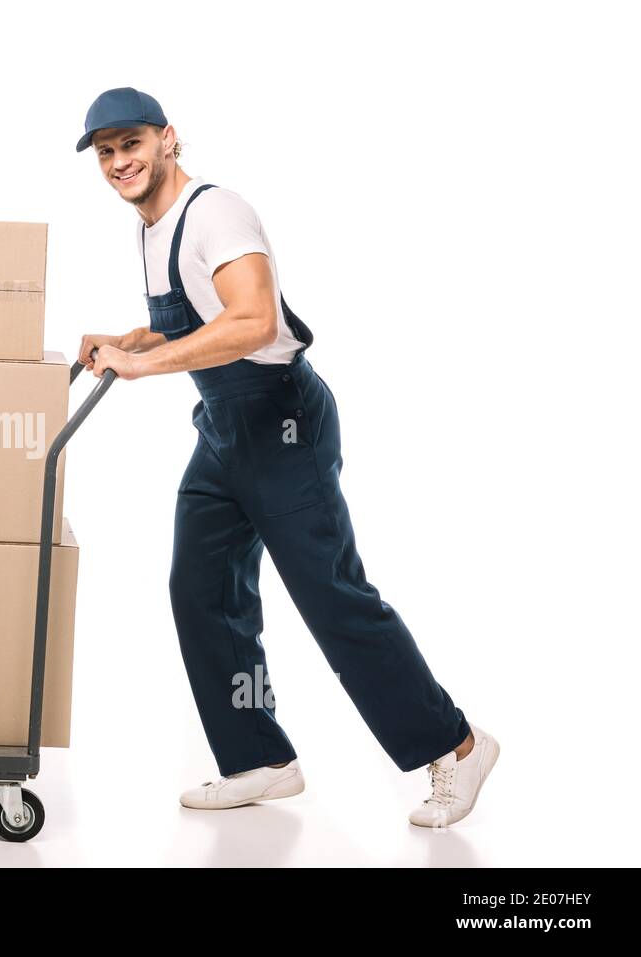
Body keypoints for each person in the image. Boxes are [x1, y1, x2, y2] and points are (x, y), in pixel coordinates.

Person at [74, 87, 499, 827]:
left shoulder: (216, 211)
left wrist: (147, 366)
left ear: (168, 138)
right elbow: (195, 309)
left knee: (333, 599)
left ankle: (458, 747)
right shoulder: (151, 224)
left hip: (281, 425)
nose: (119, 161)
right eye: (105, 152)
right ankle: (260, 758)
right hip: (222, 431)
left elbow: (252, 319)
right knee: (200, 587)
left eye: (130, 143)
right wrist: (136, 339)